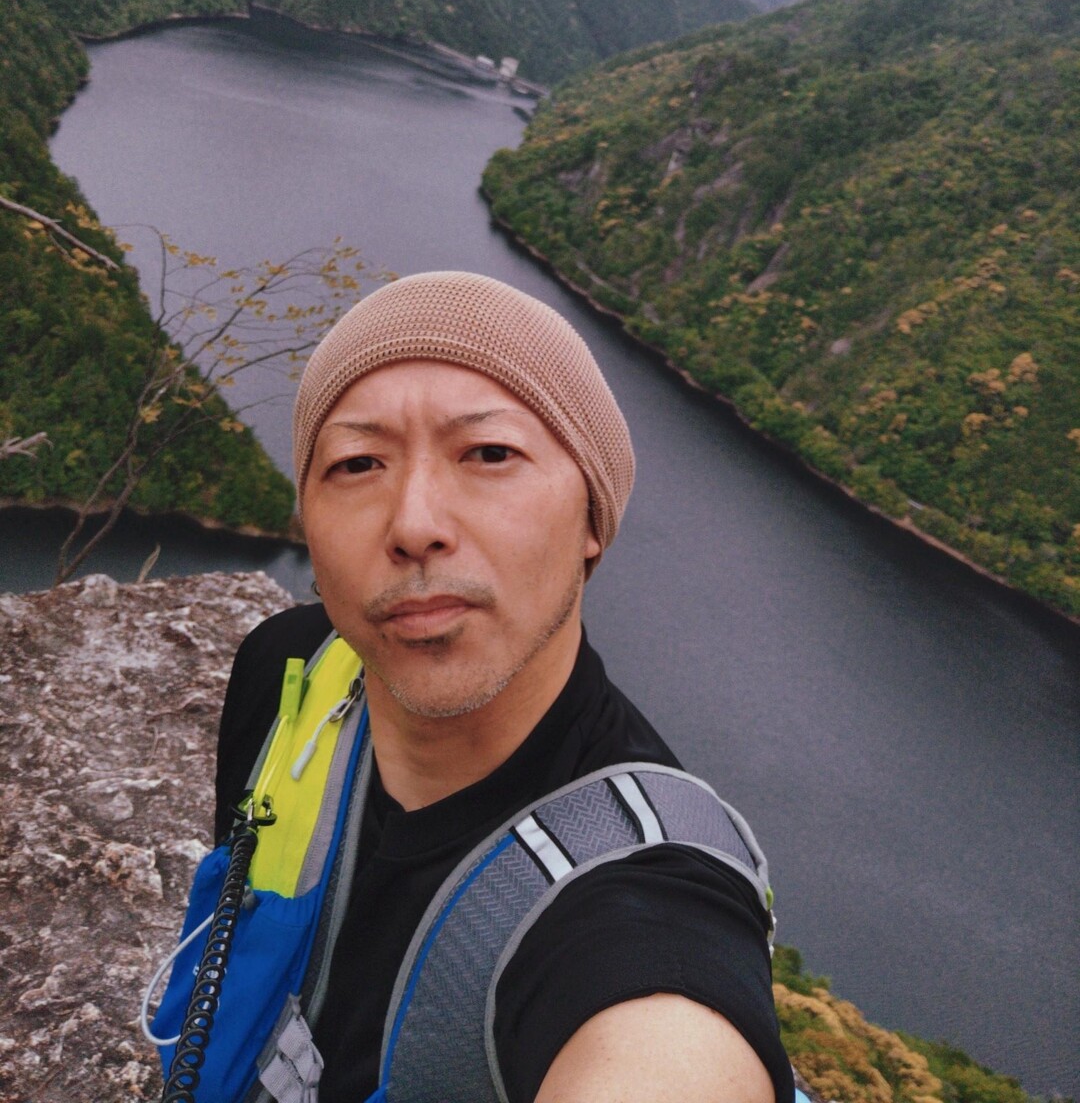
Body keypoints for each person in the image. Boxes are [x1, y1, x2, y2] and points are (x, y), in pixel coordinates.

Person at [184, 271, 794, 1103]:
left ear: (592, 520)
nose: (414, 524)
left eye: (489, 454)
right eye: (357, 464)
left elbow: (664, 1049)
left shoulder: (639, 905)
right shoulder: (287, 672)